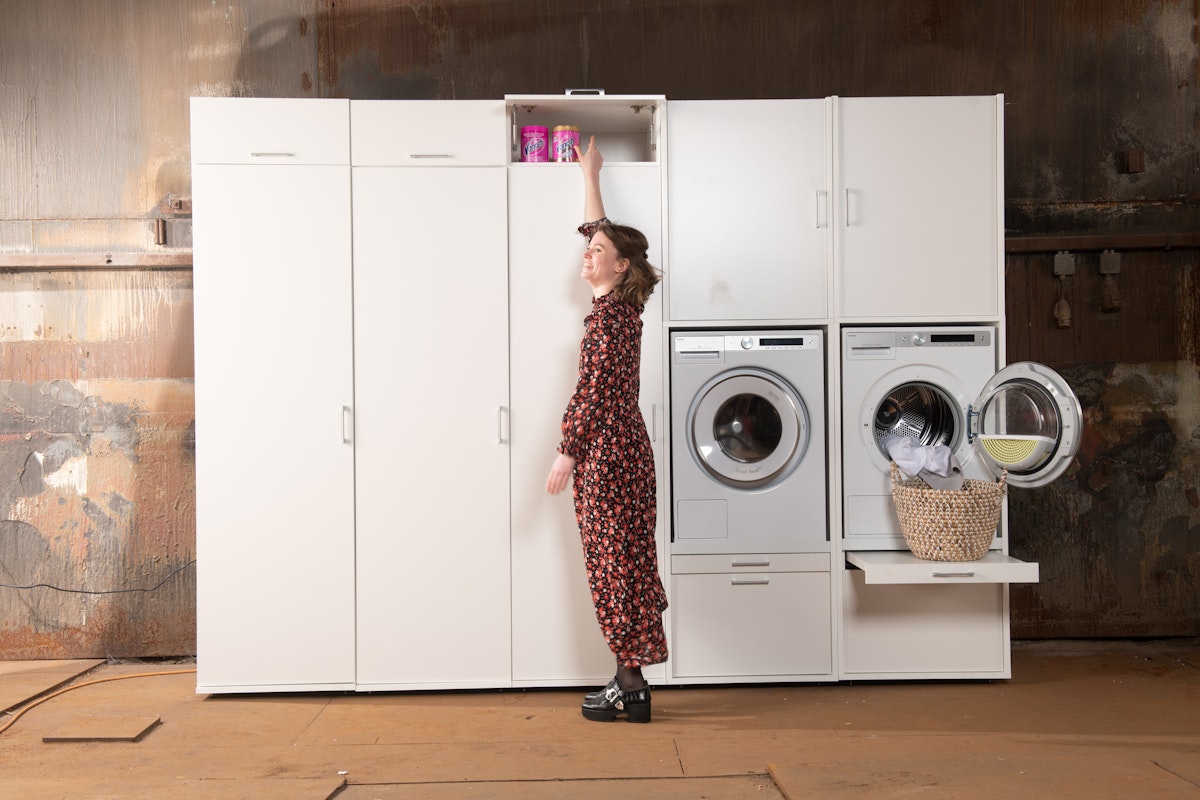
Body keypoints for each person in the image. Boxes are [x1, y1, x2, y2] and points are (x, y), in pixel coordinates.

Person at [545, 136, 668, 724]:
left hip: (607, 456)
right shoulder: (621, 311)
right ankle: (632, 683)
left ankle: (630, 683)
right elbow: (599, 233)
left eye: (596, 250)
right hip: (627, 452)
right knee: (626, 560)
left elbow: (591, 392)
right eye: (588, 247)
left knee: (613, 563)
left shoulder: (608, 322)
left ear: (621, 267)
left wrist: (568, 452)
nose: (586, 253)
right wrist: (590, 176)